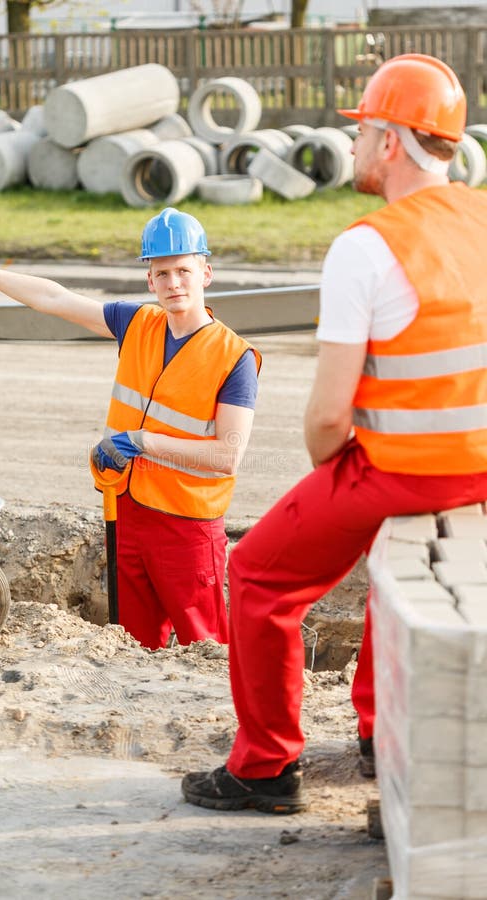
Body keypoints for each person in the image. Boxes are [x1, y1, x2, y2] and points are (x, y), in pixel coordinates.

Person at [181, 53, 487, 814]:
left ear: (391, 143)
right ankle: (378, 731)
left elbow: (327, 418)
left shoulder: (367, 245)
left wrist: (334, 477)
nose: (349, 147)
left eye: (361, 133)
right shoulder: (481, 219)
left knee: (257, 575)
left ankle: (264, 768)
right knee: (392, 563)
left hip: (403, 467)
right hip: (481, 467)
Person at [0, 208, 261, 652]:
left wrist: (142, 442)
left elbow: (227, 455)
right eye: (163, 273)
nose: (174, 283)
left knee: (205, 647)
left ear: (206, 273)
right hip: (127, 512)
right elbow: (53, 298)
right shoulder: (138, 325)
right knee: (135, 649)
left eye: (184, 270)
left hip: (187, 528)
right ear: (150, 280)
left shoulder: (235, 358)